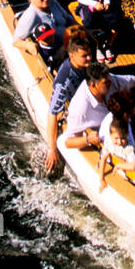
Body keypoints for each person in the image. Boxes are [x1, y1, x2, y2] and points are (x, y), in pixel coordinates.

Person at [45, 30, 95, 171]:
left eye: (90, 54)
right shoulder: (63, 83)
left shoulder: (82, 66)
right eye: (84, 56)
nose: (89, 58)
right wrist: (52, 149)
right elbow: (52, 112)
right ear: (72, 56)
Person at [64, 62, 135, 148]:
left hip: (126, 121)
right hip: (117, 137)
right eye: (106, 82)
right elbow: (68, 142)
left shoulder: (108, 80)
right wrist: (88, 139)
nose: (110, 83)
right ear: (93, 84)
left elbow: (131, 81)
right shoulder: (80, 110)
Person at [13, 0, 70, 65]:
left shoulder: (53, 2)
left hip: (70, 43)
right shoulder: (31, 16)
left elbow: (69, 19)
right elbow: (16, 42)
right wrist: (29, 45)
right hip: (57, 53)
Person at [97, 113, 135, 190]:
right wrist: (101, 179)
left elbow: (133, 166)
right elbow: (103, 158)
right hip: (115, 165)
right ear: (110, 134)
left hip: (129, 173)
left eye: (123, 138)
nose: (119, 142)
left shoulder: (129, 148)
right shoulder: (108, 142)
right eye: (116, 138)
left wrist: (119, 165)